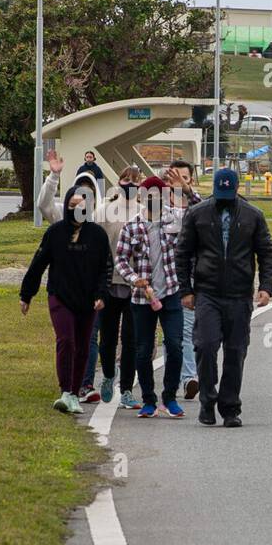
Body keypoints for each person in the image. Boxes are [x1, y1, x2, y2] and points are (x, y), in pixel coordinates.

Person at [176, 168, 272, 428]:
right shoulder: (197, 214)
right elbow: (182, 253)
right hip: (207, 293)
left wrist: (266, 286)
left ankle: (230, 408)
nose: (223, 198)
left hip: (239, 295)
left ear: (236, 189)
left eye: (227, 193)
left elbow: (266, 252)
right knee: (206, 346)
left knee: (235, 352)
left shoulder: (253, 215)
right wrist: (185, 290)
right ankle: (207, 401)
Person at [19, 183, 113, 414]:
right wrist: (26, 294)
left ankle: (73, 392)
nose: (77, 208)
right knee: (66, 341)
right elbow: (38, 263)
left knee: (82, 347)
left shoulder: (97, 235)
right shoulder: (55, 232)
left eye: (81, 204)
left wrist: (102, 295)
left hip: (88, 300)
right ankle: (64, 391)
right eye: (72, 204)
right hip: (60, 296)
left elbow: (106, 268)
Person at [115, 177, 186, 420]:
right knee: (143, 351)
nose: (153, 198)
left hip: (170, 293)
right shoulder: (131, 226)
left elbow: (197, 208)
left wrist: (185, 189)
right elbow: (121, 260)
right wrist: (134, 278)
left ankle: (170, 398)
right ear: (141, 197)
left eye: (158, 194)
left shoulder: (174, 221)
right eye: (148, 194)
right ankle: (148, 400)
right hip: (141, 298)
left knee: (175, 346)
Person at [78, 164, 144, 404]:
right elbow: (94, 244)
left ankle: (126, 388)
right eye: (126, 179)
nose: (130, 184)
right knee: (107, 338)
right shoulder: (104, 212)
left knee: (131, 338)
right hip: (109, 282)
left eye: (135, 180)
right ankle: (107, 375)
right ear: (119, 182)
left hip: (135, 284)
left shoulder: (144, 211)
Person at [162, 160, 202, 401]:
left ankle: (189, 378)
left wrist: (185, 191)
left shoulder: (196, 207)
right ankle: (173, 380)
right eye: (172, 179)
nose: (177, 182)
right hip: (161, 281)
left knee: (186, 332)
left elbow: (203, 206)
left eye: (184, 178)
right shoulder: (157, 207)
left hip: (189, 281)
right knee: (170, 337)